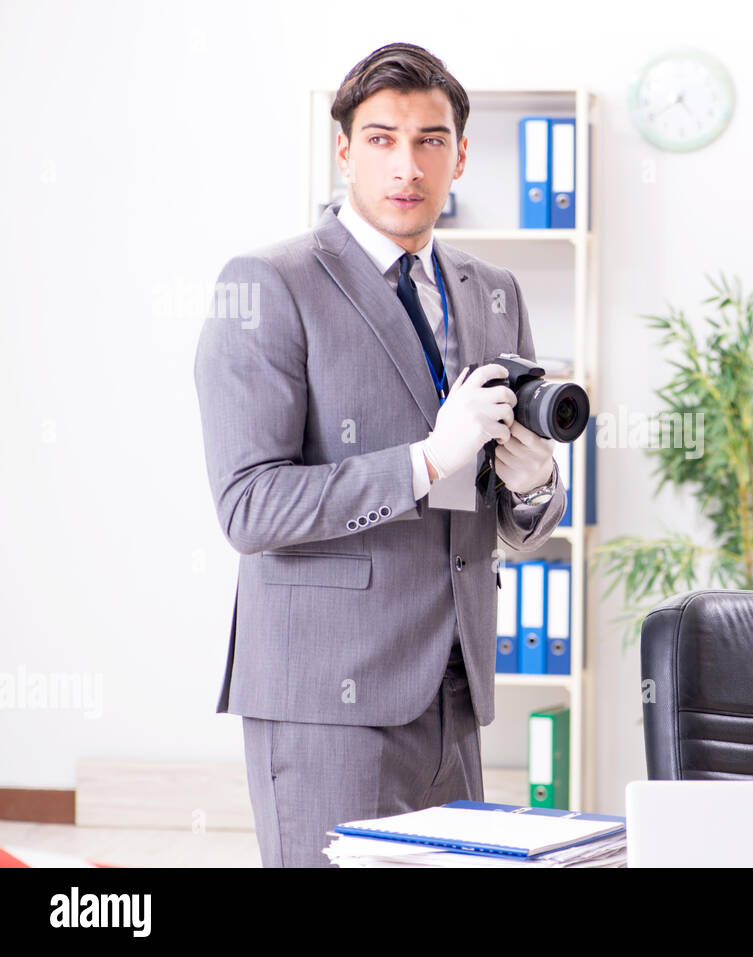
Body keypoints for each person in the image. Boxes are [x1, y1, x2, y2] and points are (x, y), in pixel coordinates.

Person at [193, 42, 566, 867]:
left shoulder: (493, 288)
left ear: (461, 154)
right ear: (343, 150)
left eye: (431, 140)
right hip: (329, 695)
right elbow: (250, 507)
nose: (408, 164)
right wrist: (425, 461)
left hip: (456, 693)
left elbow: (507, 516)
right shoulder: (267, 283)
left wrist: (537, 487)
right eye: (381, 138)